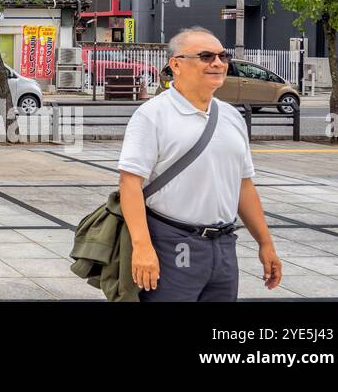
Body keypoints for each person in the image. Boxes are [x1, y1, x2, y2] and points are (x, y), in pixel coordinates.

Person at [117, 26, 282, 301]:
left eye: (222, 56)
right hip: (172, 242)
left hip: (224, 244)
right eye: (206, 56)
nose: (217, 63)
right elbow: (129, 184)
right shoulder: (152, 115)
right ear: (176, 64)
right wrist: (142, 247)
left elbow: (243, 186)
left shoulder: (232, 117)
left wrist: (265, 244)